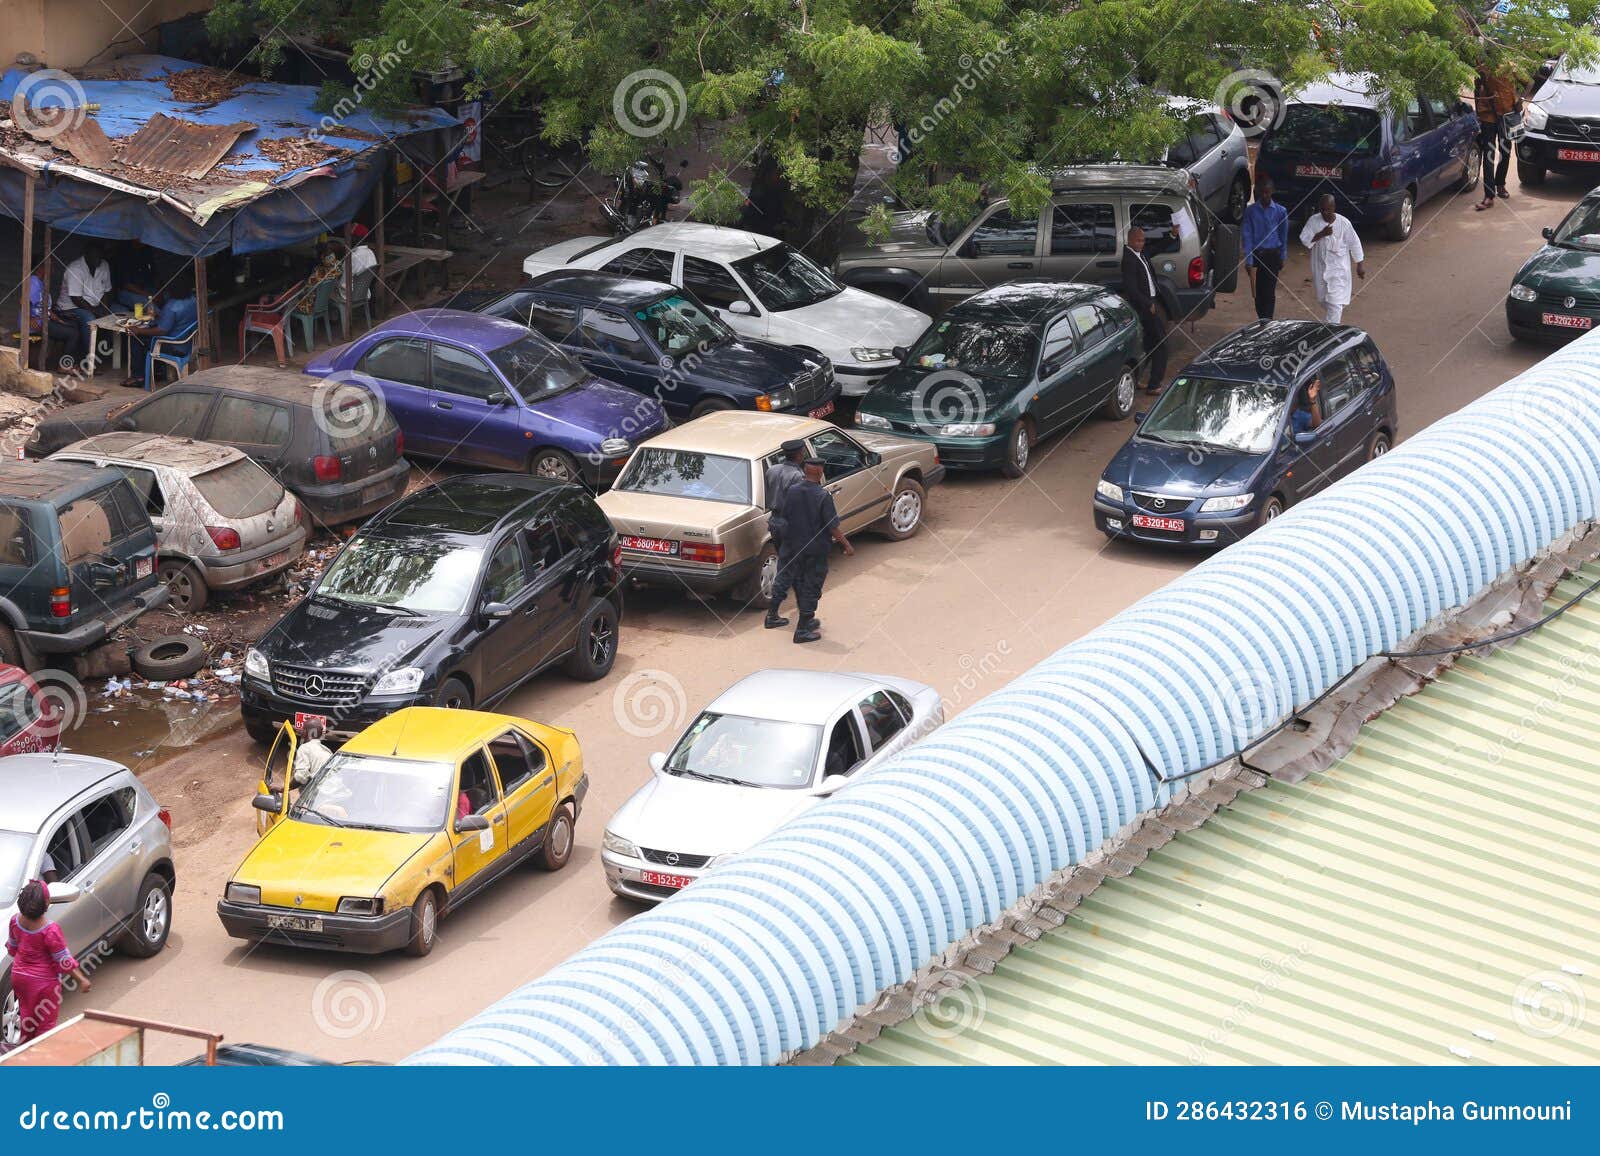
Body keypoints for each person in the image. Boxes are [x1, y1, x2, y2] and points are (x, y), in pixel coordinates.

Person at [766, 458, 854, 643]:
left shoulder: (792, 491)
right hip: (814, 550)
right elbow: (832, 527)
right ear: (820, 473)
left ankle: (782, 617)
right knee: (811, 586)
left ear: (805, 472)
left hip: (791, 546)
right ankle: (802, 630)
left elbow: (786, 516)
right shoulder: (823, 496)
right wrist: (846, 545)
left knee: (791, 579)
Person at [4, 880, 91, 1048]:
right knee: (45, 1026)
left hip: (20, 978)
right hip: (44, 985)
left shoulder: (15, 921)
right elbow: (64, 961)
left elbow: (12, 950)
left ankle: (25, 1056)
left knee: (27, 1019)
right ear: (46, 904)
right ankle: (42, 1063)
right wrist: (81, 980)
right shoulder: (50, 930)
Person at [1299, 195, 1365, 324]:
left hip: (1338, 272)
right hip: (1320, 271)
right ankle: (1332, 326)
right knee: (1325, 301)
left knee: (1335, 305)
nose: (1324, 212)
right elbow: (1304, 239)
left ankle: (1330, 333)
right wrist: (1321, 234)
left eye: (1327, 209)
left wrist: (1360, 265)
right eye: (1322, 209)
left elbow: (1355, 243)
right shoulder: (1314, 221)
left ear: (1333, 208)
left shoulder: (1344, 223)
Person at [119, 284, 198, 389]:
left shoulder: (172, 306)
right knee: (146, 336)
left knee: (137, 338)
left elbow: (161, 331)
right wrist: (161, 315)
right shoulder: (193, 300)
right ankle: (158, 372)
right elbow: (177, 319)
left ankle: (137, 377)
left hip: (174, 346)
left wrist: (138, 330)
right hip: (188, 342)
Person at [1119, 225, 1167, 394]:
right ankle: (1154, 384)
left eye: (1143, 240)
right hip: (1145, 307)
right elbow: (1131, 289)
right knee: (1160, 343)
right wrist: (1148, 304)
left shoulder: (1142, 254)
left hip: (1152, 301)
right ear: (1130, 240)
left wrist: (1173, 235)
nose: (1141, 243)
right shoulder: (1129, 260)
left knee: (1147, 345)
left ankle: (1135, 377)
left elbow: (1157, 248)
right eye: (1138, 240)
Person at [762, 438, 807, 612]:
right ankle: (774, 613)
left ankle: (799, 606)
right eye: (802, 452)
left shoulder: (772, 470)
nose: (803, 454)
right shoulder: (798, 476)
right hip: (790, 524)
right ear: (798, 455)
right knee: (791, 566)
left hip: (774, 521)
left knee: (787, 562)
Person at [1474, 61, 1521, 210]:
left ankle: (1500, 184)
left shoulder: (1511, 67)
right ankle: (1489, 195)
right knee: (1489, 155)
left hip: (1507, 117)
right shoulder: (1481, 69)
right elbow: (1477, 90)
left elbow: (1529, 82)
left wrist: (1518, 101)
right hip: (1488, 118)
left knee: (1505, 153)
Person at [1241, 177, 1289, 320]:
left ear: (1272, 192)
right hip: (1257, 255)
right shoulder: (1251, 211)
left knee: (1269, 292)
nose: (1265, 196)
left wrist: (1282, 256)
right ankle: (1262, 319)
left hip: (1273, 256)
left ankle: (1267, 321)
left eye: (1267, 192)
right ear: (1257, 192)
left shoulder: (1281, 211)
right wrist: (1248, 260)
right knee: (1257, 292)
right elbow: (1247, 236)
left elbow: (1283, 236)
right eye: (1262, 192)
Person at [57, 243, 114, 360]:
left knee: (117, 314)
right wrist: (96, 313)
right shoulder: (75, 269)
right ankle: (88, 359)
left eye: (100, 256)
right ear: (86, 254)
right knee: (89, 319)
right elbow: (76, 299)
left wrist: (105, 309)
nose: (98, 259)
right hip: (71, 307)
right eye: (95, 256)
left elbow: (107, 291)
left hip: (96, 305)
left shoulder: (104, 265)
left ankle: (108, 355)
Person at [26, 261, 83, 369]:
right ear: (41, 268)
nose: (52, 271)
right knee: (73, 334)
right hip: (37, 322)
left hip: (43, 320)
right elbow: (23, 302)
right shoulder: (34, 281)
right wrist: (29, 318)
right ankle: (64, 366)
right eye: (50, 267)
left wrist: (58, 319)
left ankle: (63, 361)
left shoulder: (41, 283)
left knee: (73, 325)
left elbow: (44, 307)